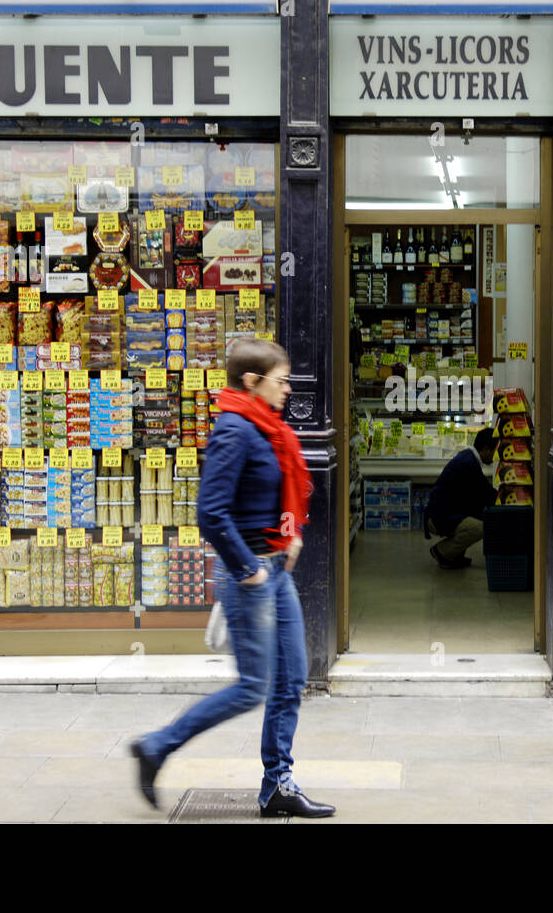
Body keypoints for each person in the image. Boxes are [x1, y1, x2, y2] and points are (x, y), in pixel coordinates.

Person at [130, 338, 335, 818]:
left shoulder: (267, 429)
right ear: (251, 381)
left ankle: (277, 786)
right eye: (280, 380)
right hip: (250, 575)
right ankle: (157, 746)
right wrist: (247, 570)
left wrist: (291, 534)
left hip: (274, 568)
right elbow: (210, 513)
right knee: (252, 686)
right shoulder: (235, 430)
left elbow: (274, 493)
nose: (288, 389)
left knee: (291, 680)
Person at [424, 427, 497, 569]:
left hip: (442, 512)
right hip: (439, 517)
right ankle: (442, 552)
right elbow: (485, 493)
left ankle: (455, 554)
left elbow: (480, 493)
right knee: (480, 528)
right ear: (487, 449)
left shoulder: (468, 457)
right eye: (495, 452)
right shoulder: (469, 464)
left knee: (477, 515)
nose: (495, 457)